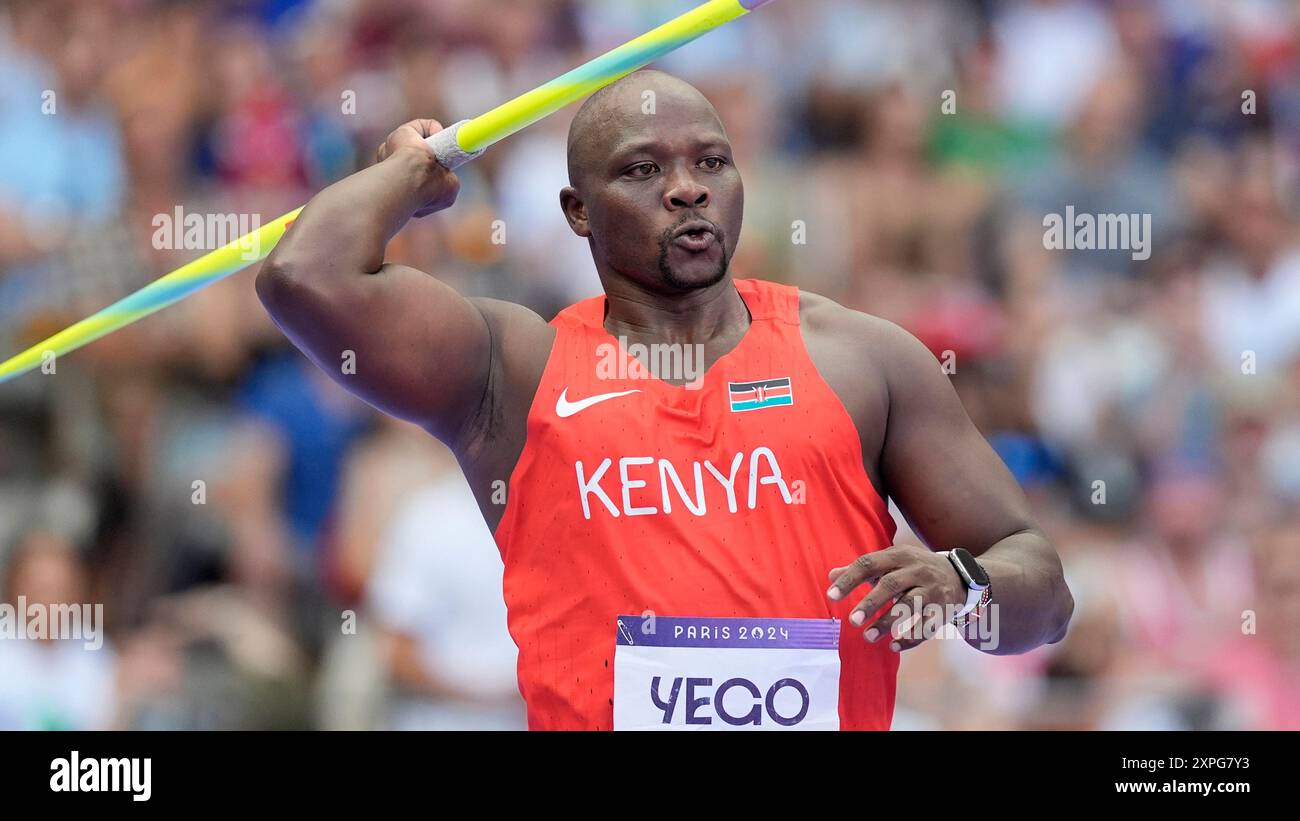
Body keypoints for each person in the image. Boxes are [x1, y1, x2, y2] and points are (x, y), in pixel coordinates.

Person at [256, 69, 1074, 730]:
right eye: (644, 169)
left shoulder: (864, 360)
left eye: (710, 162)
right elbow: (303, 276)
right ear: (578, 212)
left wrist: (964, 584)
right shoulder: (514, 372)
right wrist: (409, 175)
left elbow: (1040, 591)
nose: (687, 188)